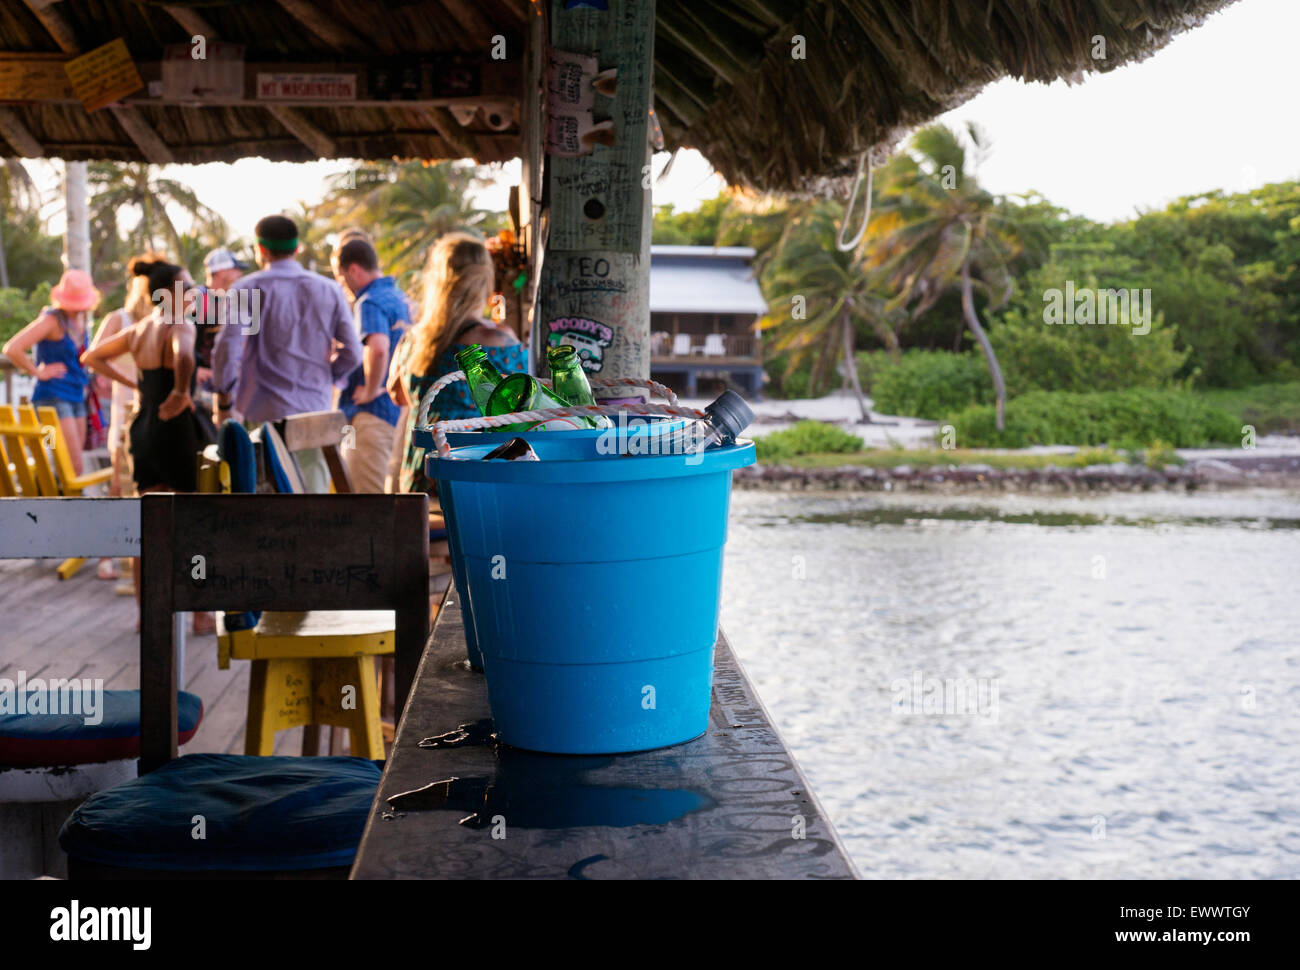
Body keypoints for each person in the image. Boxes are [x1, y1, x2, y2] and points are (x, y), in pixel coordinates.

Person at [81, 257, 215, 634]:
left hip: (143, 428)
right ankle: (202, 616)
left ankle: (147, 614)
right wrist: (180, 391)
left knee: (149, 524)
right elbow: (185, 354)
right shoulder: (179, 323)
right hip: (176, 428)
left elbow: (91, 356)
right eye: (187, 287)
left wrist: (135, 382)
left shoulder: (141, 328)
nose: (192, 294)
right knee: (191, 521)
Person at [213, 214, 362, 492]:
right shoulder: (329, 289)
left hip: (263, 412)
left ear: (261, 249)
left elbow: (229, 344)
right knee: (313, 495)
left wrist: (224, 387)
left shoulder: (248, 288)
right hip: (314, 410)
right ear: (297, 248)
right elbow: (353, 351)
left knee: (267, 497)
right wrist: (329, 375)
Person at [387, 231, 524, 495]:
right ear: (485, 281)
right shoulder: (501, 343)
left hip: (420, 482)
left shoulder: (412, 341)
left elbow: (397, 395)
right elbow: (524, 411)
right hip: (475, 484)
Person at [85, 254, 165, 582]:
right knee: (119, 487)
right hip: (125, 411)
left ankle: (143, 569)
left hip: (153, 413)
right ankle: (109, 556)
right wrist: (133, 383)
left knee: (146, 491)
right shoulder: (120, 319)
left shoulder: (165, 320)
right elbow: (93, 359)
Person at [331, 236, 412, 492]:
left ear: (353, 269)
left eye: (340, 276)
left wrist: (370, 388)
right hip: (396, 415)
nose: (342, 284)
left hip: (371, 419)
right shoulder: (400, 298)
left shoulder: (369, 301)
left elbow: (377, 349)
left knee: (368, 505)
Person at [2, 268, 100, 478]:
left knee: (75, 463)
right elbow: (12, 348)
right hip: (52, 398)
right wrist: (38, 372)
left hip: (76, 395)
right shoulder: (52, 320)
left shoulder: (81, 319)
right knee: (63, 459)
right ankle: (53, 501)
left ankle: (58, 496)